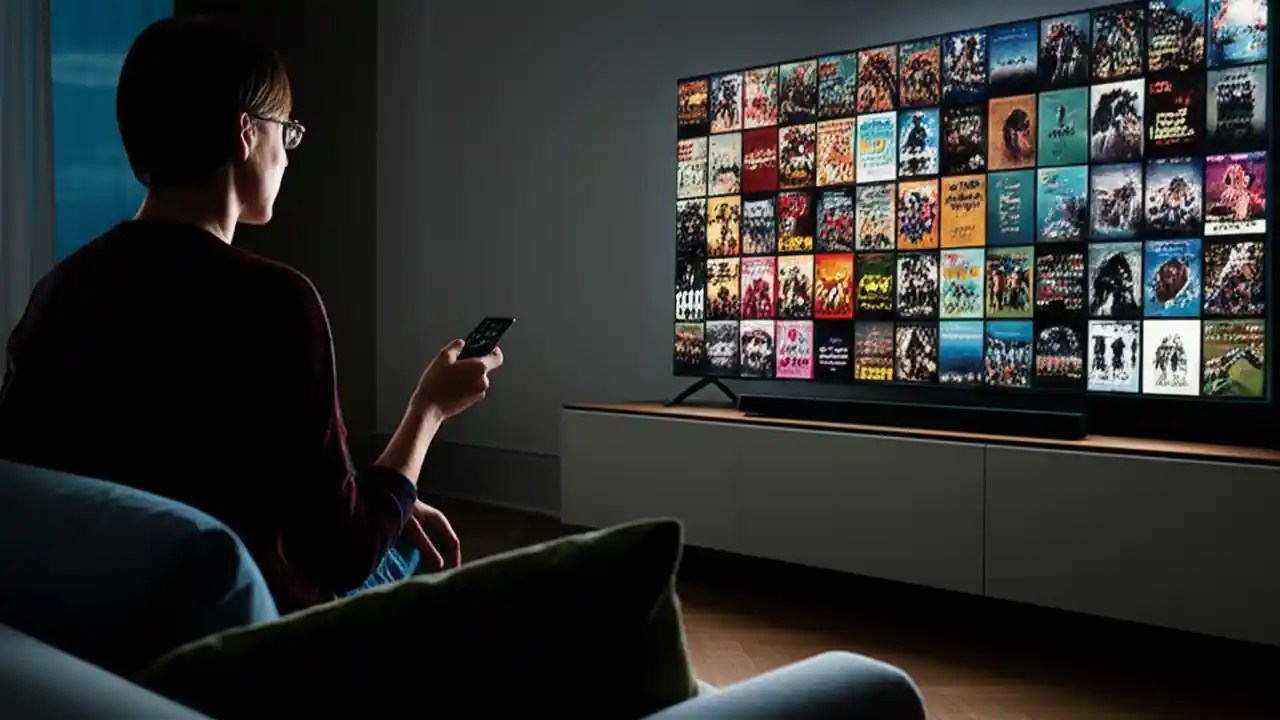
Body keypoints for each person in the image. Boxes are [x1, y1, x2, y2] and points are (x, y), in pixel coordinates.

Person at [0, 16, 502, 614]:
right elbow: (345, 556)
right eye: (285, 132)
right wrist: (429, 408)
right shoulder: (276, 301)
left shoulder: (60, 288)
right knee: (415, 552)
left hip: (96, 610)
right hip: (238, 617)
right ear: (245, 134)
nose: (288, 157)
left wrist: (386, 500)